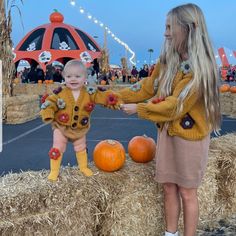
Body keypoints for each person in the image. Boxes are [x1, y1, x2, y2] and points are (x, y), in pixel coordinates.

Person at [118, 4, 221, 236]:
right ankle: (170, 233)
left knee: (187, 192)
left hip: (189, 139)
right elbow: (146, 87)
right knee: (168, 187)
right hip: (168, 133)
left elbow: (175, 105)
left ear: (188, 28)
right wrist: (110, 95)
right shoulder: (168, 60)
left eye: (169, 27)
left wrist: (139, 109)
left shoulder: (199, 67)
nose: (165, 32)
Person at [40, 59, 121, 181]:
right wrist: (48, 112)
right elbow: (50, 102)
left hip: (80, 128)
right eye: (69, 76)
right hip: (61, 127)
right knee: (58, 146)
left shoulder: (89, 92)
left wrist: (114, 100)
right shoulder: (60, 93)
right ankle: (54, 171)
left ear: (85, 78)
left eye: (77, 76)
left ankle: (83, 167)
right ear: (64, 77)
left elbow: (102, 95)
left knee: (81, 147)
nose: (73, 79)